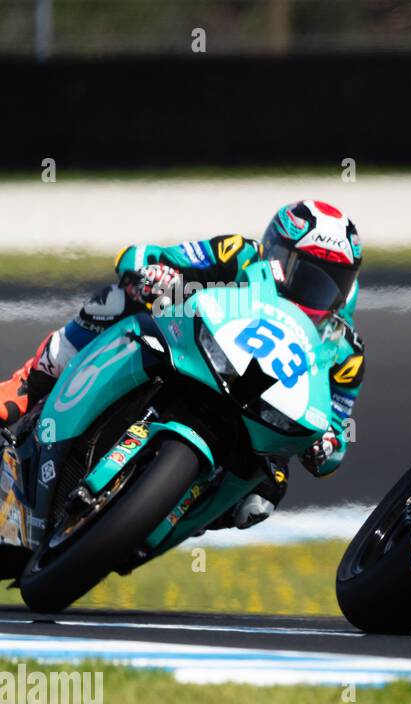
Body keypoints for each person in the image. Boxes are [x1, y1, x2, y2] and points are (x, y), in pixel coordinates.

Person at [0, 200, 366, 528]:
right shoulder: (239, 255)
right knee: (113, 302)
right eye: (304, 273)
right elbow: (142, 256)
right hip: (197, 355)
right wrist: (157, 275)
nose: (314, 293)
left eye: (331, 283)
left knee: (261, 499)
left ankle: (163, 521)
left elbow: (337, 432)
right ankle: (30, 384)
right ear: (276, 252)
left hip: (264, 424)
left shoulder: (345, 351)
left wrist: (327, 445)